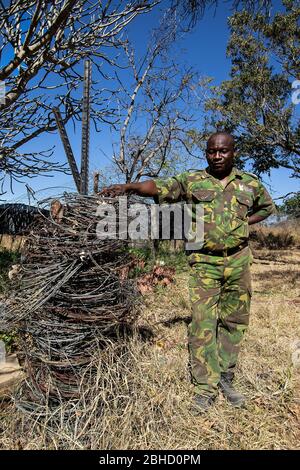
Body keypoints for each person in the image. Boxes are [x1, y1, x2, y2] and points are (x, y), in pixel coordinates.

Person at [101, 132, 275, 412]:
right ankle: (205, 387)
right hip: (204, 261)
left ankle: (226, 378)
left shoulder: (250, 184)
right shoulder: (192, 180)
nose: (217, 157)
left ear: (233, 152)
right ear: (206, 153)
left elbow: (267, 208)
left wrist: (243, 223)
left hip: (239, 260)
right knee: (203, 323)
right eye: (211, 152)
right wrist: (129, 187)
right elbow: (158, 187)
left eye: (223, 151)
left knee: (234, 321)